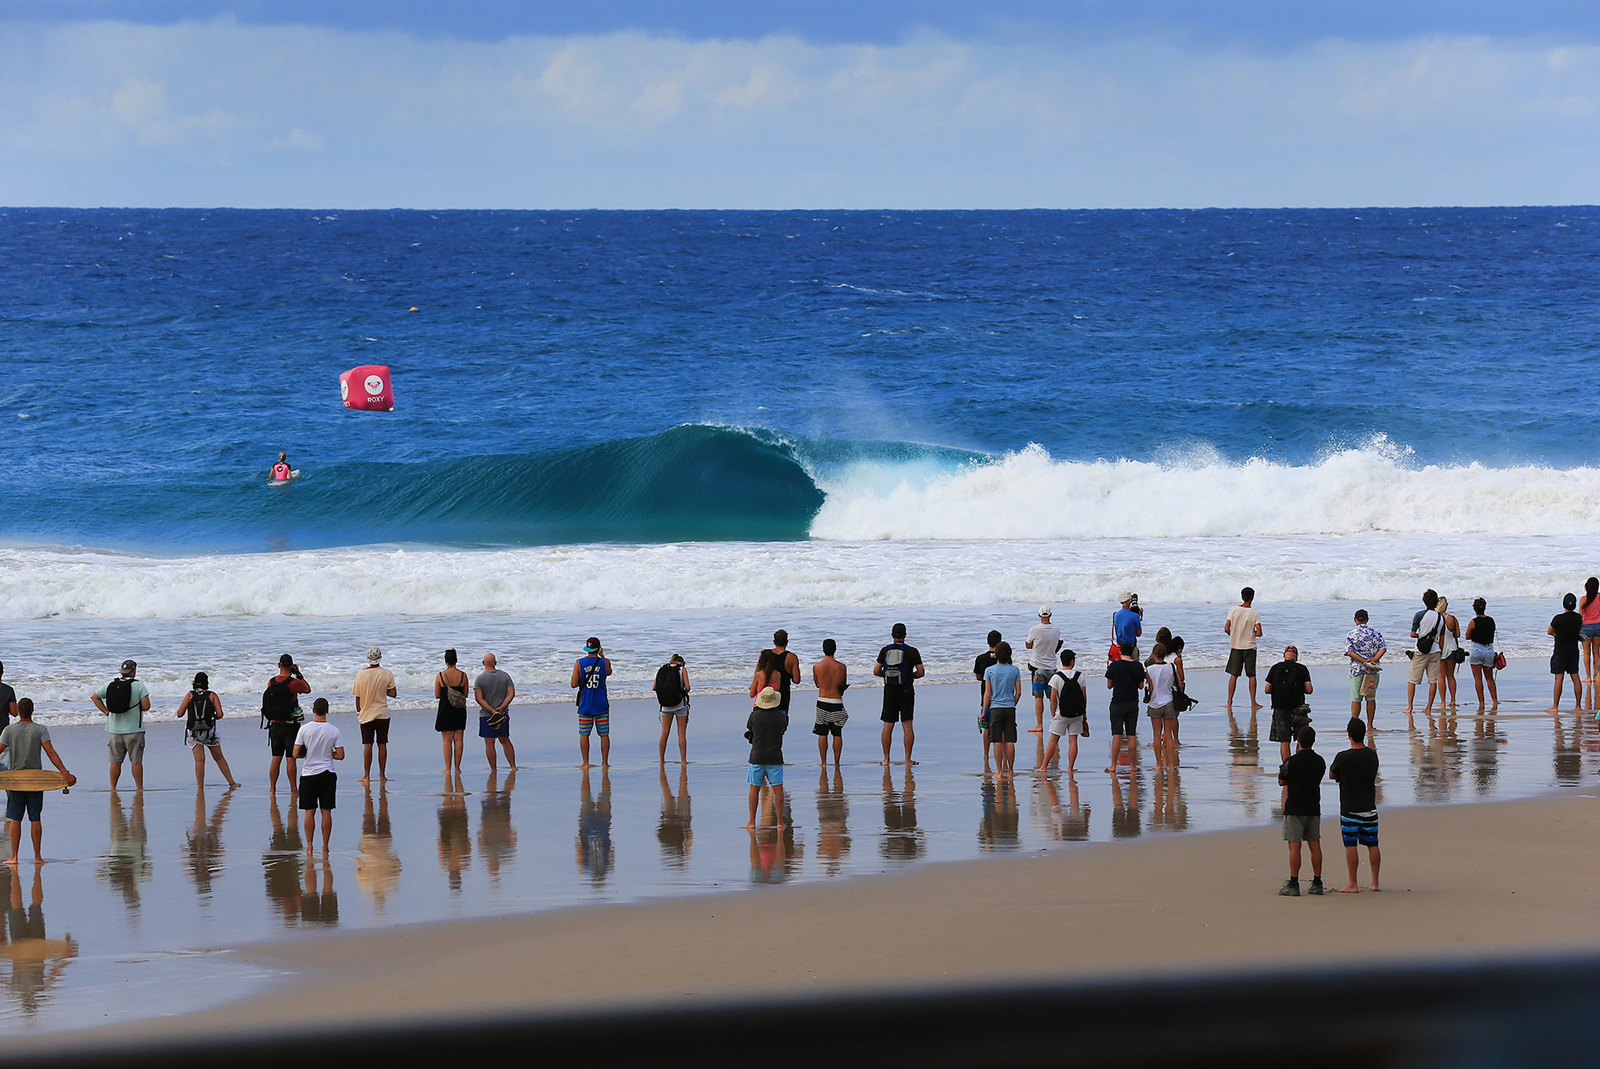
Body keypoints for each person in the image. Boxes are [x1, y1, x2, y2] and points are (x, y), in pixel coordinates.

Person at [0, 699, 76, 866]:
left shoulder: (9, 730)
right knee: (35, 818)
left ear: (18, 711)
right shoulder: (40, 729)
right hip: (36, 780)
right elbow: (50, 752)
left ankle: (14, 857)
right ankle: (37, 857)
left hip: (16, 781)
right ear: (32, 711)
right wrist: (65, 773)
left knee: (15, 819)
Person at [1329, 717, 1381, 893]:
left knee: (1351, 845)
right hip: (1369, 807)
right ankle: (1375, 882)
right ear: (1364, 734)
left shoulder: (1343, 757)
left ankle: (1353, 883)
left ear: (1349, 735)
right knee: (1373, 844)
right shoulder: (1372, 754)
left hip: (1350, 809)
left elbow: (1331, 774)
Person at [1277, 725, 1326, 896]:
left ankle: (1293, 882)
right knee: (1314, 844)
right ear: (1313, 741)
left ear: (1298, 741)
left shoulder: (1292, 761)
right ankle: (1317, 881)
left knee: (1294, 846)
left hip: (1295, 807)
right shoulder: (1320, 761)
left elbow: (1282, 781)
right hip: (1313, 806)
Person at [293, 698, 345, 856]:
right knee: (326, 811)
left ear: (313, 710)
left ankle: (309, 846)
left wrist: (306, 753)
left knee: (309, 812)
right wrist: (330, 753)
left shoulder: (304, 729)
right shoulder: (334, 730)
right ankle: (325, 845)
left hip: (308, 774)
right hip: (327, 773)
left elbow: (295, 753)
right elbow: (341, 755)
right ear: (327, 711)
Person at [91, 659, 149, 791]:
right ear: (133, 671)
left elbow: (94, 696)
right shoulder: (138, 686)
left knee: (115, 762)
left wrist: (106, 712)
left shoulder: (110, 684)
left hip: (114, 729)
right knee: (136, 761)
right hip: (134, 729)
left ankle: (113, 788)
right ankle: (139, 788)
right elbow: (146, 707)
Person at [175, 672, 240, 789]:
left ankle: (200, 787)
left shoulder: (190, 695)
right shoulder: (212, 695)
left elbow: (179, 714)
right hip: (210, 732)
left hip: (194, 732)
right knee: (219, 758)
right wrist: (210, 717)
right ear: (207, 682)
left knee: (199, 761)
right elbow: (220, 714)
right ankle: (232, 782)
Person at [874, 623, 924, 767]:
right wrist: (909, 676)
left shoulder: (885, 650)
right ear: (905, 635)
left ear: (892, 635)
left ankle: (886, 759)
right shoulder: (912, 651)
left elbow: (876, 670)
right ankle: (908, 760)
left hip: (890, 691)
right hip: (906, 691)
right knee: (907, 725)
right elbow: (921, 672)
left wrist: (888, 676)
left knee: (888, 725)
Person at [263, 654, 310, 795]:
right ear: (291, 665)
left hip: (275, 725)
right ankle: (293, 788)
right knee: (291, 758)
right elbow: (307, 689)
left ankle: (272, 789)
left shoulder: (271, 682)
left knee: (276, 758)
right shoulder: (293, 683)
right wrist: (298, 673)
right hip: (290, 725)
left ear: (279, 665)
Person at [351, 647, 396, 784]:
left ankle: (367, 775)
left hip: (366, 714)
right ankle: (382, 775)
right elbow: (393, 693)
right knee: (382, 744)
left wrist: (359, 711)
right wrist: (382, 691)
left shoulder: (361, 675)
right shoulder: (387, 674)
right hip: (382, 713)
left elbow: (357, 698)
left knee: (367, 745)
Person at [745, 686, 787, 829]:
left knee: (754, 789)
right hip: (775, 756)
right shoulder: (782, 716)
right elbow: (783, 730)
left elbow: (750, 729)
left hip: (757, 756)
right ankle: (780, 822)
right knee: (778, 789)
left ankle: (751, 821)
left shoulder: (754, 716)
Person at [1039, 649, 1087, 774]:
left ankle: (1044, 766)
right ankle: (1070, 768)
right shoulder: (1080, 676)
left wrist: (1053, 713)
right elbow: (1084, 696)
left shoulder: (1056, 677)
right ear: (1072, 661)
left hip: (1061, 713)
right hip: (1077, 713)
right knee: (1073, 740)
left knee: (1053, 739)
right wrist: (1084, 714)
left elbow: (1053, 698)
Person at [1264, 645, 1313, 763]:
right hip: (1298, 707)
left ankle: (1286, 767)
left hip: (1280, 707)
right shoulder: (1302, 669)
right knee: (1301, 738)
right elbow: (1309, 690)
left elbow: (1267, 689)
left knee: (1284, 740)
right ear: (1296, 656)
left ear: (1284, 655)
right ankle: (1299, 764)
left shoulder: (1275, 668)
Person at [1104, 641, 1146, 774]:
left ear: (1120, 652)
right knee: (1131, 735)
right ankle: (1133, 766)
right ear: (1133, 653)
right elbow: (1140, 686)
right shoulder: (1138, 666)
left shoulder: (1114, 665)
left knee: (1117, 735)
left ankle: (1113, 766)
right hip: (1132, 702)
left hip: (1117, 702)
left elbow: (1109, 686)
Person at [982, 642, 1022, 779]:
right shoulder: (1015, 670)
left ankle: (999, 771)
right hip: (1010, 707)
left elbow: (987, 693)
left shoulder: (990, 671)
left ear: (996, 656)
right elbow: (1019, 692)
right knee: (1010, 740)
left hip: (995, 708)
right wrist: (1013, 703)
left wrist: (984, 711)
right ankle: (1010, 771)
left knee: (997, 740)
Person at [570, 639, 612, 769]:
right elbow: (609, 672)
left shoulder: (579, 663)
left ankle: (585, 763)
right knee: (604, 734)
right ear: (599, 648)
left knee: (584, 734)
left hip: (586, 704)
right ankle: (605, 763)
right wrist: (602, 656)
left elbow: (573, 684)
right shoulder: (604, 662)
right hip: (601, 703)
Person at [475, 652, 518, 772]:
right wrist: (501, 707)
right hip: (502, 713)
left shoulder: (480, 679)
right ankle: (513, 766)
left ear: (483, 663)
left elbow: (479, 698)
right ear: (496, 662)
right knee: (505, 740)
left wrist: (491, 710)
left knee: (489, 743)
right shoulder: (505, 676)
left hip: (487, 715)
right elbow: (511, 693)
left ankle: (493, 769)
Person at [1405, 589, 1445, 716]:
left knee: (1412, 680)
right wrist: (1441, 652)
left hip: (1421, 651)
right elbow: (1441, 638)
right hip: (1436, 650)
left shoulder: (1419, 615)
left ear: (1424, 601)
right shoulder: (1441, 618)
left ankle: (1410, 707)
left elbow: (1412, 634)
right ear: (1436, 602)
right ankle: (1428, 708)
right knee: (1433, 681)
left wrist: (1421, 636)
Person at [1224, 587, 1263, 710]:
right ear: (1252, 597)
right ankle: (1253, 702)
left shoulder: (1233, 610)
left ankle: (1229, 702)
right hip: (1250, 646)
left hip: (1236, 646)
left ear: (1242, 596)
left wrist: (1235, 635)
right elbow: (1259, 633)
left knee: (1234, 675)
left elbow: (1226, 628)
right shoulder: (1254, 613)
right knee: (1251, 675)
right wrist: (1252, 633)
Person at [1346, 610, 1386, 729]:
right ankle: (1370, 724)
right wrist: (1373, 660)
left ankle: (1354, 724)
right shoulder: (1376, 633)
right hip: (1372, 670)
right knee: (1370, 698)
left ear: (1355, 620)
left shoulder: (1351, 634)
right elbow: (1383, 648)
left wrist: (1363, 661)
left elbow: (1350, 652)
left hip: (1356, 669)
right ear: (1367, 619)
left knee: (1356, 699)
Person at [1025, 606, 1062, 735]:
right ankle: (1054, 721)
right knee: (1052, 697)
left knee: (1038, 697)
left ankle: (1039, 724)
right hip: (1052, 667)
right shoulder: (1056, 629)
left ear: (1039, 615)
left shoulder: (1034, 629)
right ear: (1050, 615)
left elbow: (1028, 645)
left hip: (1037, 667)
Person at [811, 641, 848, 766]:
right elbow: (843, 682)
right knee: (837, 733)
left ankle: (824, 762)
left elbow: (817, 684)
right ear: (835, 649)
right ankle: (837, 762)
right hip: (837, 701)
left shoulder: (817, 667)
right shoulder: (842, 667)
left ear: (823, 649)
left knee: (822, 733)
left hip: (823, 701)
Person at [434, 649, 470, 776]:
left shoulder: (440, 676)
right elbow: (465, 694)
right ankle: (457, 768)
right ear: (456, 659)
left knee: (447, 740)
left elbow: (437, 695)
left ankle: (448, 768)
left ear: (446, 660)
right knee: (459, 739)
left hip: (445, 709)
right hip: (459, 709)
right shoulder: (463, 675)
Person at [1143, 643, 1179, 767]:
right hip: (1168, 701)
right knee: (1168, 735)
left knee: (1156, 735)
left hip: (1155, 703)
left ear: (1153, 655)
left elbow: (1151, 688)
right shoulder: (1171, 667)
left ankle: (1158, 764)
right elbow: (1177, 683)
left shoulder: (1149, 669)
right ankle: (1171, 764)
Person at [1548, 593, 1583, 712]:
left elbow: (1549, 631)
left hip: (1560, 651)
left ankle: (1555, 706)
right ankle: (1578, 706)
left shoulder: (1558, 618)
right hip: (1573, 650)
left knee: (1559, 677)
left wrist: (1555, 633)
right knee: (1575, 677)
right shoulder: (1578, 618)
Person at [654, 654, 691, 764]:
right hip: (680, 705)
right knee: (682, 734)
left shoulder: (662, 669)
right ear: (681, 662)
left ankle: (661, 760)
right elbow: (688, 688)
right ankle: (683, 760)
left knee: (664, 733)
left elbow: (654, 687)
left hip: (665, 706)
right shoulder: (682, 669)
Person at [973, 630, 1002, 772]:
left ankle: (986, 754)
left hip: (986, 697)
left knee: (987, 727)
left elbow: (978, 677)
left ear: (987, 642)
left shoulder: (981, 658)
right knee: (1001, 729)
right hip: (1002, 697)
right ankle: (1001, 755)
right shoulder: (1004, 658)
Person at [1465, 597, 1499, 710]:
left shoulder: (1473, 621)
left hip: (1476, 649)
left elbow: (1467, 636)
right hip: (1489, 649)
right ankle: (1495, 700)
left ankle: (1482, 703)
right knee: (1489, 678)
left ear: (1474, 609)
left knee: (1478, 679)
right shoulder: (1491, 620)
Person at [1436, 596, 1462, 709]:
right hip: (1452, 648)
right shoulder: (1452, 618)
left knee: (1441, 676)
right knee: (1451, 676)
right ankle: (1453, 700)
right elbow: (1458, 634)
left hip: (1440, 648)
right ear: (1446, 605)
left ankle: (1443, 701)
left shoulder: (1436, 618)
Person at [767, 631, 801, 715]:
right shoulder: (792, 657)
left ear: (774, 642)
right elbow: (796, 680)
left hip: (766, 694)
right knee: (781, 723)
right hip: (783, 695)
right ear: (787, 642)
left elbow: (758, 674)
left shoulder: (766, 655)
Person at [1112, 593, 1142, 661]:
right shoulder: (1135, 616)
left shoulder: (1116, 615)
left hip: (1120, 647)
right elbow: (1138, 634)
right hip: (1131, 646)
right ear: (1130, 601)